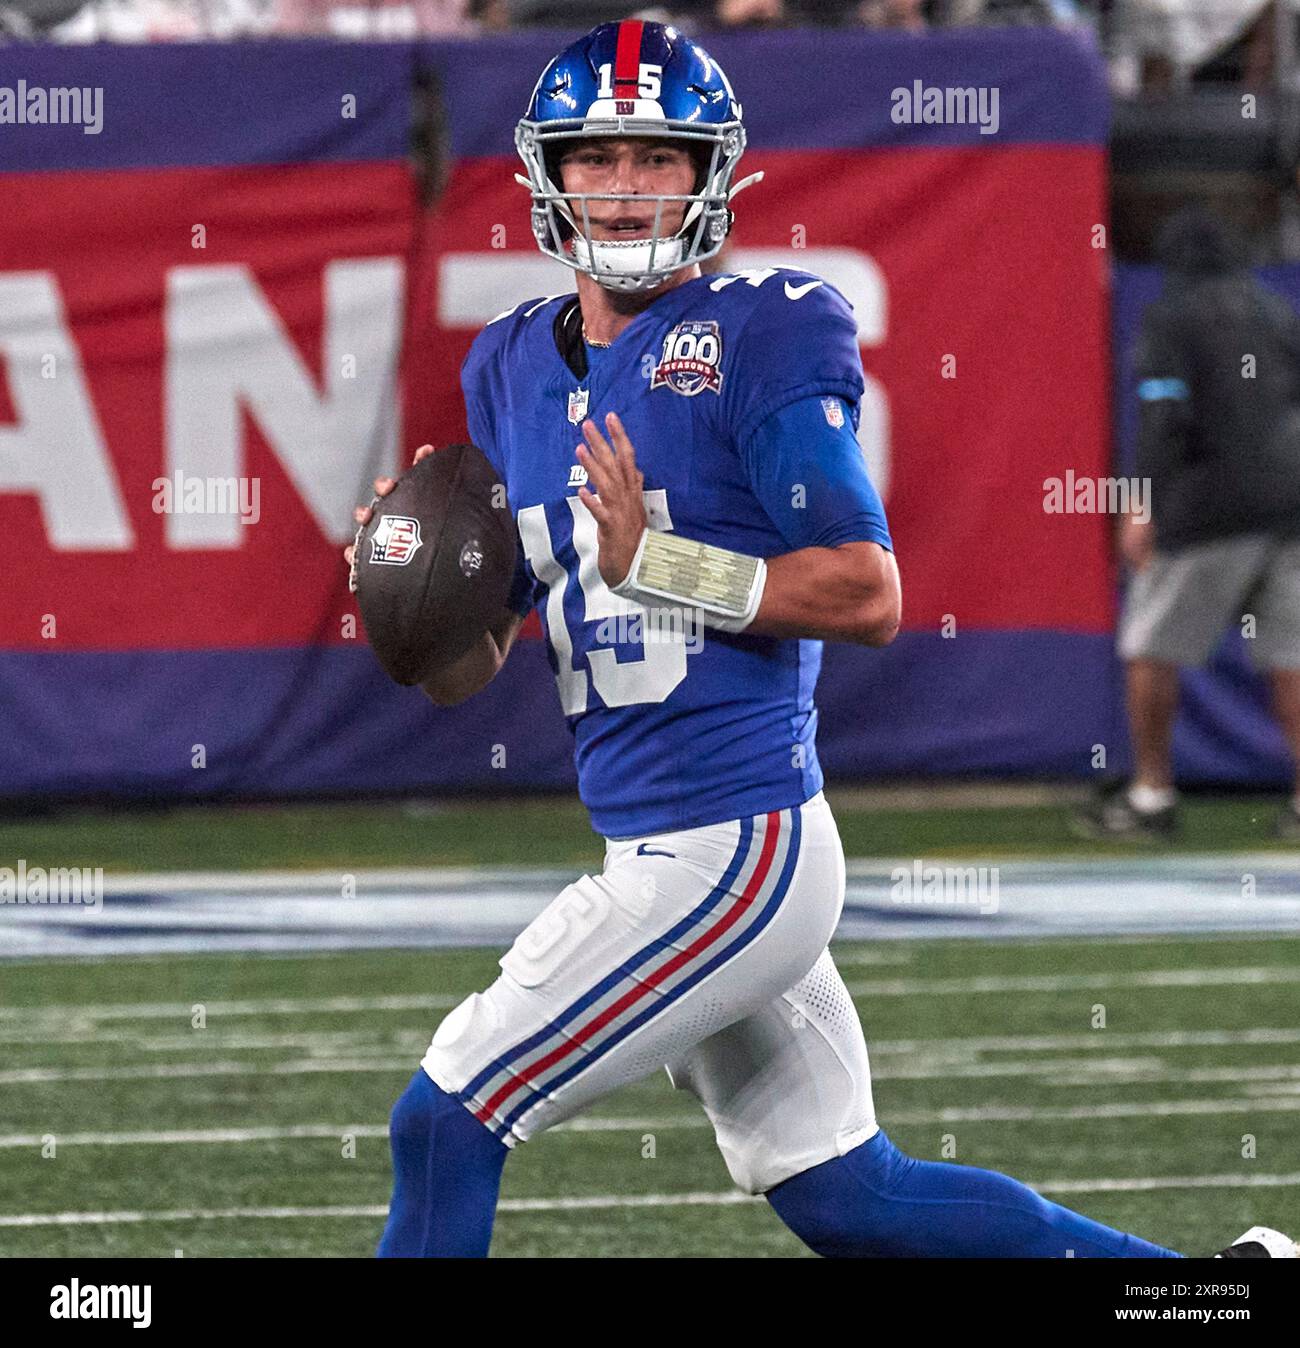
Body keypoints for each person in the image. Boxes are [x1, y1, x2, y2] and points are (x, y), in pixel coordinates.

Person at [346, 23, 1294, 1259]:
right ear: (548, 174)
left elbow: (867, 592)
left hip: (732, 843)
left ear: (711, 177)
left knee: (446, 1118)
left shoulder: (763, 329)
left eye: (658, 156)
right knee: (855, 1195)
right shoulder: (509, 361)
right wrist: (410, 599)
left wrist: (662, 565)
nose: (626, 182)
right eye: (596, 156)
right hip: (656, 834)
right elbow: (474, 663)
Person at [1077, 206, 1300, 842]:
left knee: (1149, 649)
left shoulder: (1173, 315)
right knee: (1292, 657)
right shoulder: (1276, 311)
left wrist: (1141, 504)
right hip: (1291, 508)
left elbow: (1163, 418)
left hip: (1209, 508)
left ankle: (1151, 795)